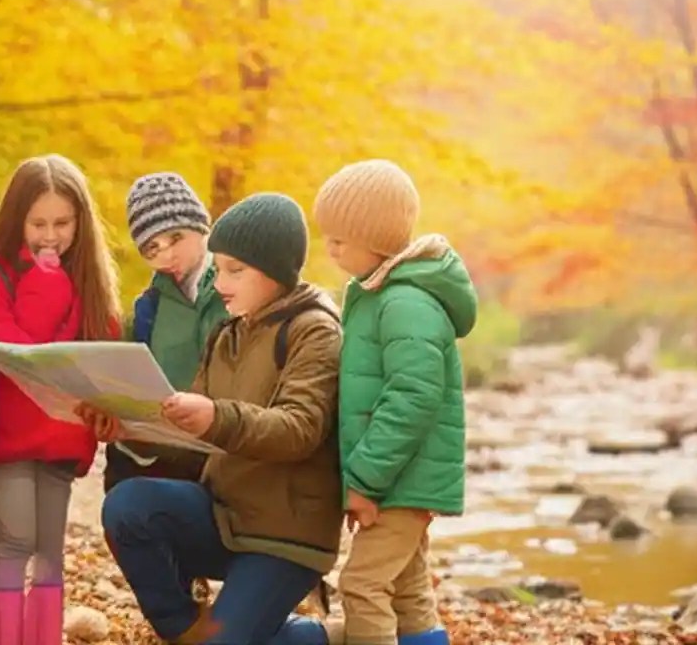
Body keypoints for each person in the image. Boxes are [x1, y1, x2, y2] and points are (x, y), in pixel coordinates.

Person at [91, 193, 344, 644]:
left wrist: (214, 417)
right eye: (219, 266)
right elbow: (191, 429)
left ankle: (321, 637)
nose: (219, 279)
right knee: (128, 506)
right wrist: (129, 429)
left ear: (275, 270)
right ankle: (185, 629)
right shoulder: (227, 331)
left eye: (234, 270)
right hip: (225, 515)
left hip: (284, 535)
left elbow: (298, 430)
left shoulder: (315, 331)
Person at [312, 160, 477, 645]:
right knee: (406, 591)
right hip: (401, 477)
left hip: (400, 479)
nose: (331, 247)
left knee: (362, 586)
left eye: (341, 238)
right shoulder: (382, 295)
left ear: (378, 238)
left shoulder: (405, 303)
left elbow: (413, 396)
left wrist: (365, 479)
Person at [0, 154, 122, 645]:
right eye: (38, 223)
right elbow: (11, 345)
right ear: (17, 218)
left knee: (49, 549)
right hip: (12, 435)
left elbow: (103, 348)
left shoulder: (92, 281)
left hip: (63, 436)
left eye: (62, 223)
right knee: (15, 540)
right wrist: (44, 280)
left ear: (80, 222)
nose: (50, 235)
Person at [104, 172, 227, 493]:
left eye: (175, 238)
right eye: (151, 249)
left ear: (201, 227)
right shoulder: (148, 309)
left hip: (226, 457)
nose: (166, 256)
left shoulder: (242, 289)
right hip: (158, 457)